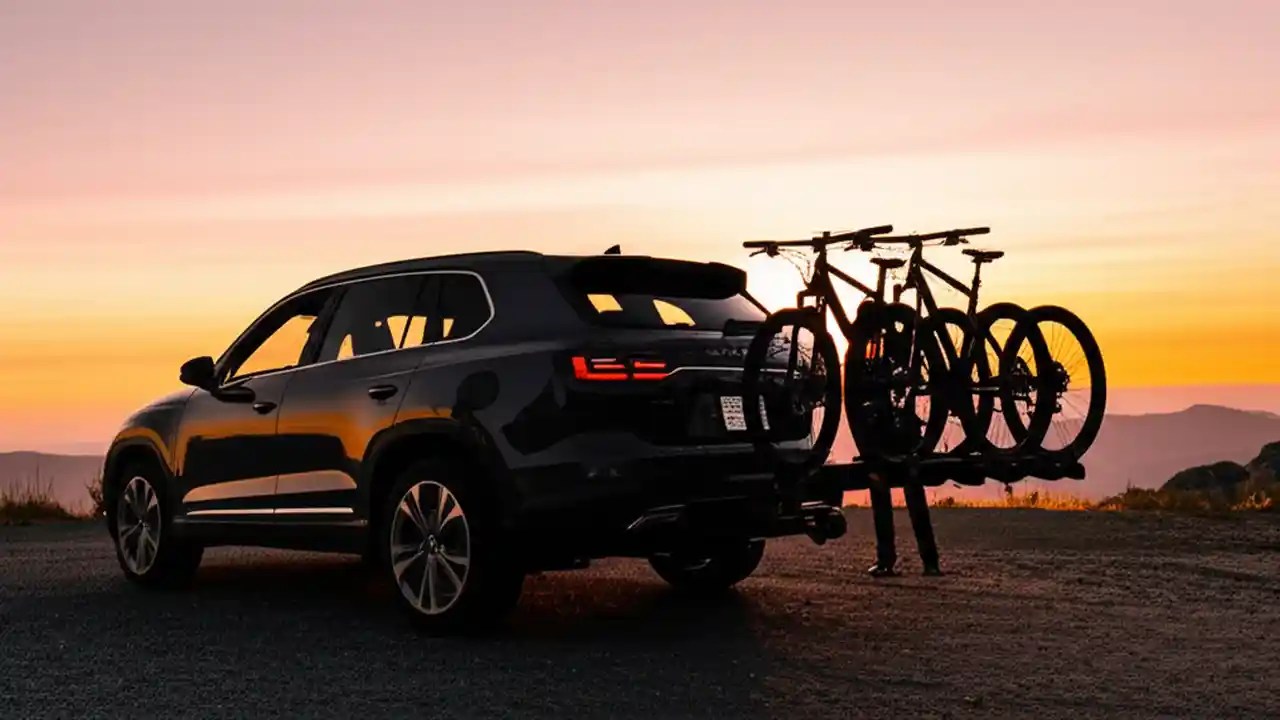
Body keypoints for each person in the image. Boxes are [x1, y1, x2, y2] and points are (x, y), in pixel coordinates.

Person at [866, 472, 942, 577]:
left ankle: (885, 562)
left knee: (883, 502)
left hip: (888, 460)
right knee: (913, 500)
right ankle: (931, 564)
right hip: (899, 460)